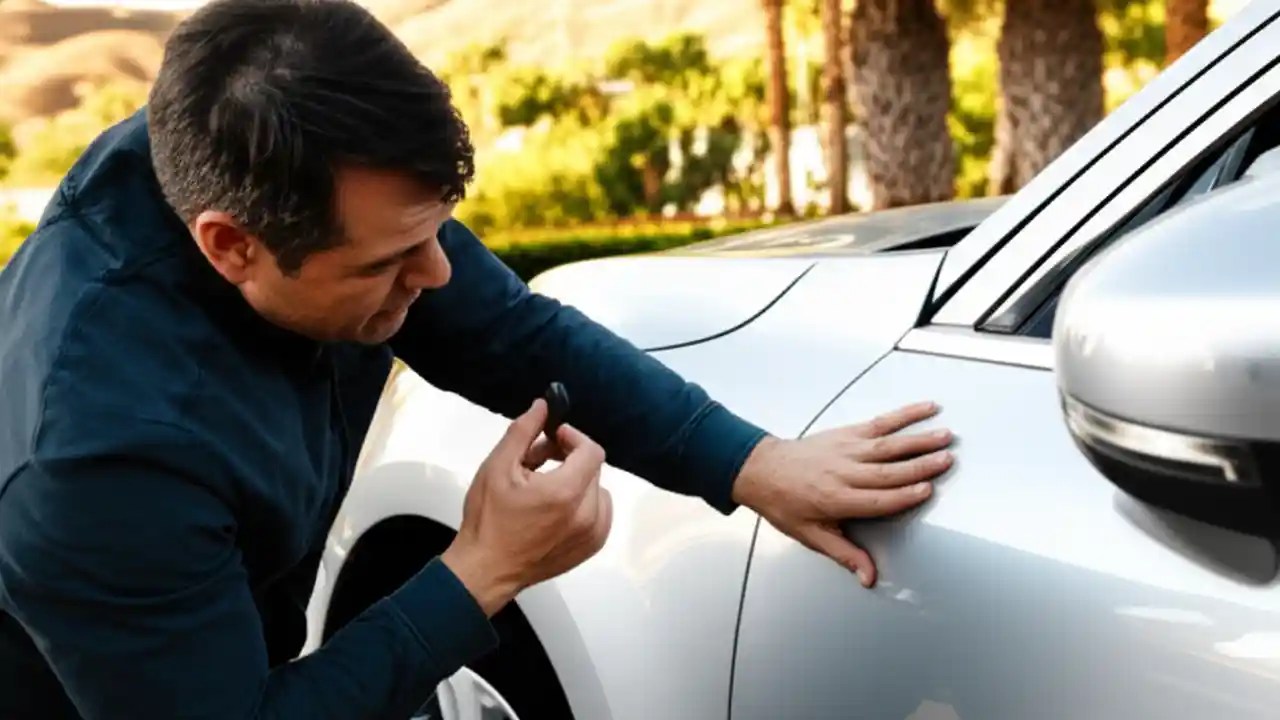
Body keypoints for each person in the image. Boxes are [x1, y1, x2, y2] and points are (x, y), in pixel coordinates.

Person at [0, 0, 955, 717]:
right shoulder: (101, 458)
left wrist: (751, 464)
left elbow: (512, 333)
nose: (437, 274)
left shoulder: (246, 153)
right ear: (231, 245)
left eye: (438, 232)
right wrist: (483, 568)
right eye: (385, 262)